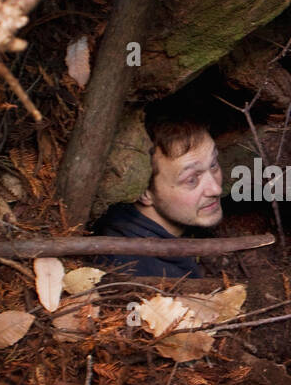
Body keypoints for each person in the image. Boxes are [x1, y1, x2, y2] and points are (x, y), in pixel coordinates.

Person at [93, 119, 223, 278]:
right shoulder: (131, 272)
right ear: (144, 192)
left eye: (213, 164)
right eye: (191, 180)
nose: (216, 189)